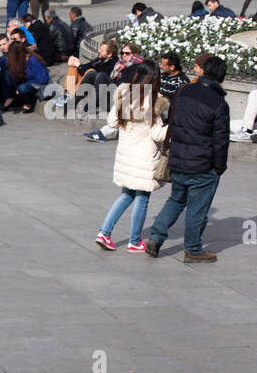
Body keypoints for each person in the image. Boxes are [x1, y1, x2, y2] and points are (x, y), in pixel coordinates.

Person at [145, 55, 230, 262]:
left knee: (176, 199)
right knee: (196, 208)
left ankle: (155, 237)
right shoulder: (219, 103)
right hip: (202, 164)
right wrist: (219, 168)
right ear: (221, 76)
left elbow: (172, 121)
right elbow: (221, 141)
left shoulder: (184, 91)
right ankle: (193, 249)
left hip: (178, 157)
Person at [94, 62, 169, 254]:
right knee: (142, 198)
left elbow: (112, 122)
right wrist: (173, 126)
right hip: (144, 158)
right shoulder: (154, 102)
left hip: (126, 155)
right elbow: (157, 134)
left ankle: (104, 232)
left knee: (126, 195)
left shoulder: (125, 95)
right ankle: (135, 240)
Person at [0, 40, 50, 113]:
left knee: (22, 88)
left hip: (35, 85)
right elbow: (3, 62)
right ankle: (9, 98)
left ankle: (28, 104)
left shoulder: (32, 60)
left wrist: (27, 83)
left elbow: (42, 79)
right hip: (23, 82)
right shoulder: (16, 60)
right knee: (6, 72)